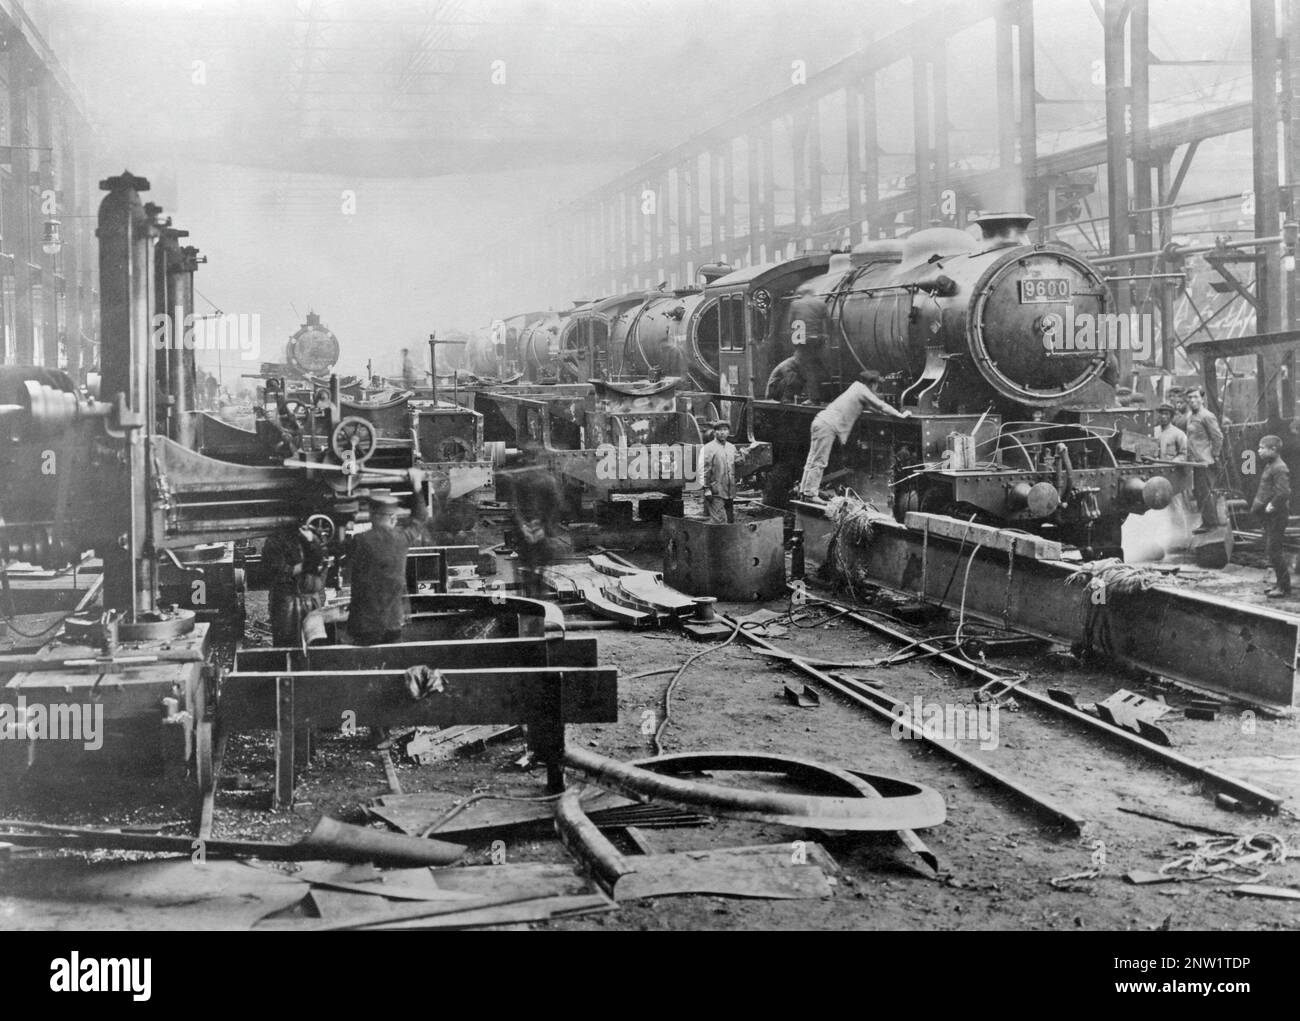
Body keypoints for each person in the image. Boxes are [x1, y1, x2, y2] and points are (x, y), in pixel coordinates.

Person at [346, 471, 429, 645]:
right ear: (392, 518)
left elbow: (337, 553)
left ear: (371, 516)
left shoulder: (359, 541)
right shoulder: (402, 538)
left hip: (364, 624)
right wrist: (417, 486)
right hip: (393, 621)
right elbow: (420, 517)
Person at [798, 370, 910, 500]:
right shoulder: (863, 391)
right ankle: (810, 494)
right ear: (873, 385)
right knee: (820, 461)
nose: (877, 389)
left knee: (812, 460)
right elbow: (881, 405)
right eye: (877, 386)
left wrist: (886, 411)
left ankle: (803, 492)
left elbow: (873, 408)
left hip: (820, 422)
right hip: (828, 426)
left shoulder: (856, 388)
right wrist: (900, 414)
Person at [263, 508, 328, 647]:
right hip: (288, 600)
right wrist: (305, 565)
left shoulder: (313, 537)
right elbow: (279, 570)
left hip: (311, 597)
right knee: (287, 644)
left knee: (315, 642)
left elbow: (322, 564)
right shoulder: (275, 540)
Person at [509, 464, 563, 598]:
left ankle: (533, 594)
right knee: (536, 564)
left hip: (534, 528)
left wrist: (527, 526)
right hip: (534, 528)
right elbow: (555, 504)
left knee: (532, 565)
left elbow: (514, 506)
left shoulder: (522, 479)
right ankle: (536, 594)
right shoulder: (547, 480)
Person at [1252, 435, 1291, 598]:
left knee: (1274, 550)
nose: (1258, 450)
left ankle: (1283, 587)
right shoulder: (1271, 465)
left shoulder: (1279, 467)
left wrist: (1272, 505)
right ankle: (1279, 584)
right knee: (1272, 549)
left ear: (1273, 450)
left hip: (1277, 515)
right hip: (1272, 516)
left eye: (1262, 447)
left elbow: (1284, 492)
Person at [1184, 387, 1224, 530]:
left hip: (1205, 461)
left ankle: (1211, 523)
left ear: (1202, 399)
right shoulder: (1190, 416)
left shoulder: (1206, 416)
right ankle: (1206, 521)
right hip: (1195, 462)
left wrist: (1215, 454)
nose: (1192, 400)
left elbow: (1218, 437)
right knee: (1200, 493)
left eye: (1195, 397)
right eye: (1189, 398)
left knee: (1205, 492)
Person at [786, 283, 830, 401]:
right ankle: (823, 393)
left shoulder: (795, 304)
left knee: (806, 369)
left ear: (801, 293)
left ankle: (812, 397)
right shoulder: (821, 303)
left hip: (803, 341)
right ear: (812, 292)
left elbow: (791, 323)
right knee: (818, 366)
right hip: (818, 340)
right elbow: (828, 321)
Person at [699, 418, 737, 523]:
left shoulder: (731, 447)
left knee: (730, 521)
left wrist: (750, 449)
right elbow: (703, 470)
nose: (722, 432)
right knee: (719, 521)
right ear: (714, 432)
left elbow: (738, 461)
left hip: (729, 491)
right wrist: (706, 489)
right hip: (715, 491)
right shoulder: (708, 448)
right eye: (719, 430)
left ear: (728, 432)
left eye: (725, 430)